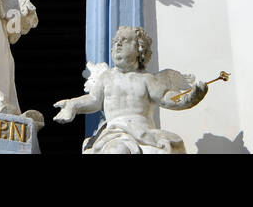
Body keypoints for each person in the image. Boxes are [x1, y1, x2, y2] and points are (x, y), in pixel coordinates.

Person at [53, 24, 218, 154]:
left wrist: (191, 97)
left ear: (140, 49)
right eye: (116, 41)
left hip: (145, 132)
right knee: (116, 151)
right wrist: (72, 105)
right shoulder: (107, 78)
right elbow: (93, 100)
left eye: (125, 40)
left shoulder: (147, 79)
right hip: (116, 132)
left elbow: (168, 98)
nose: (118, 44)